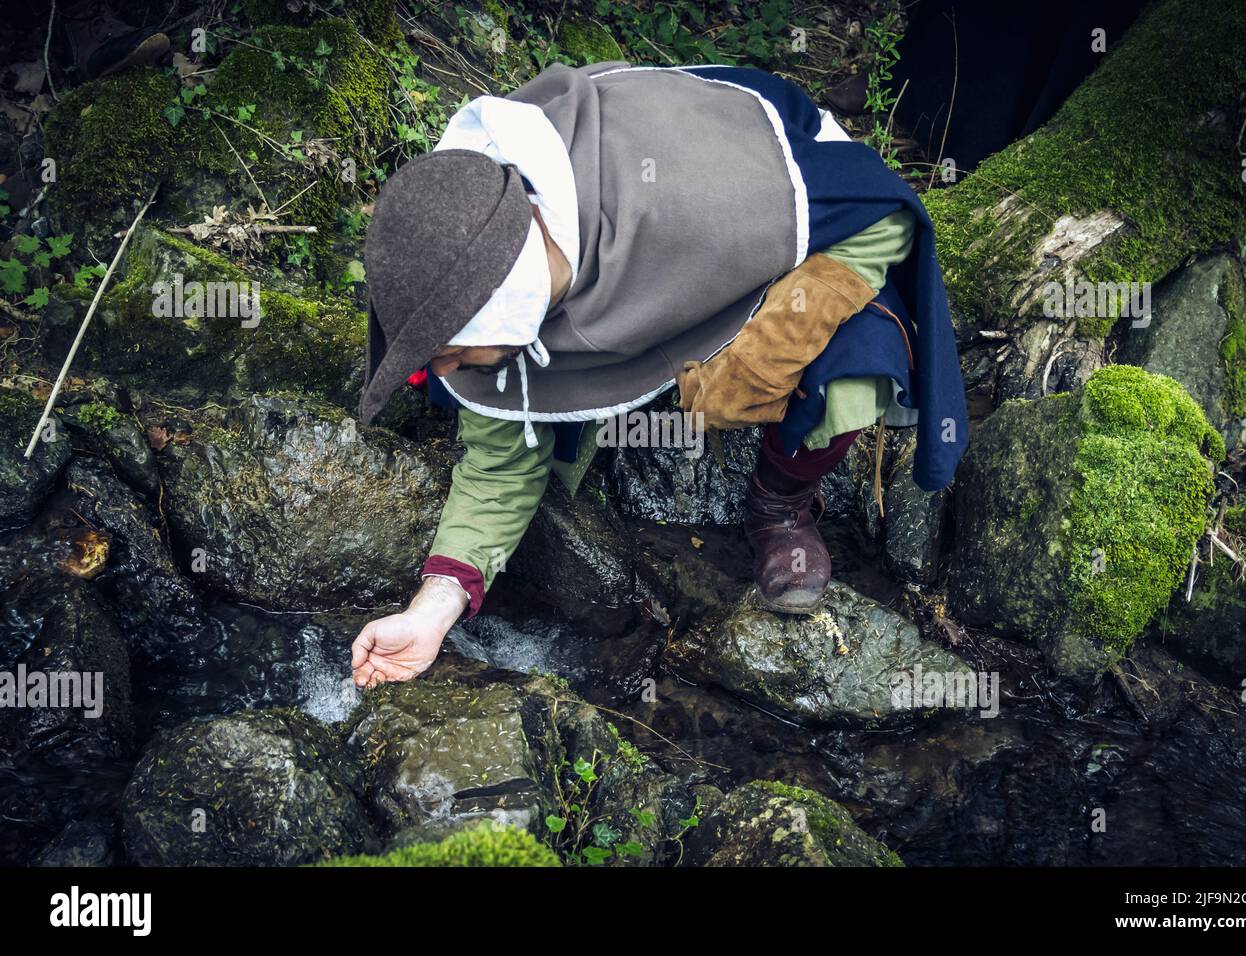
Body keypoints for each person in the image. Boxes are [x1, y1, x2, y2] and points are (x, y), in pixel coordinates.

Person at [350, 62, 967, 688]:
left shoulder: (701, 203)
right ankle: (629, 392)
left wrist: (773, 343)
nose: (441, 373)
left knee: (855, 366)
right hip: (645, 271)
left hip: (758, 221)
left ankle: (779, 505)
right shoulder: (476, 242)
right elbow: (497, 467)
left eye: (450, 353)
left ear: (508, 306)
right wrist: (432, 610)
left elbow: (880, 207)